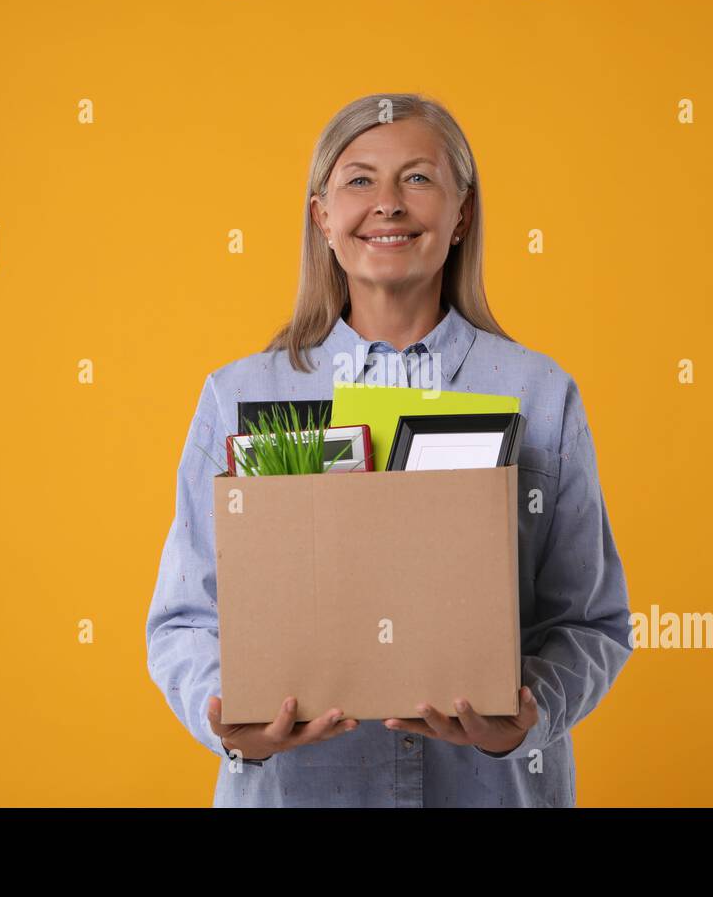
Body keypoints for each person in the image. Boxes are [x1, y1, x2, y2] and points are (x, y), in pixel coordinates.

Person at [145, 92, 632, 806]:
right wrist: (227, 718)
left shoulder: (540, 392)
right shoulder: (236, 395)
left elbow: (590, 621)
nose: (388, 204)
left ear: (462, 213)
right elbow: (184, 618)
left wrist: (532, 715)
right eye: (359, 179)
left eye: (418, 178)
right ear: (322, 216)